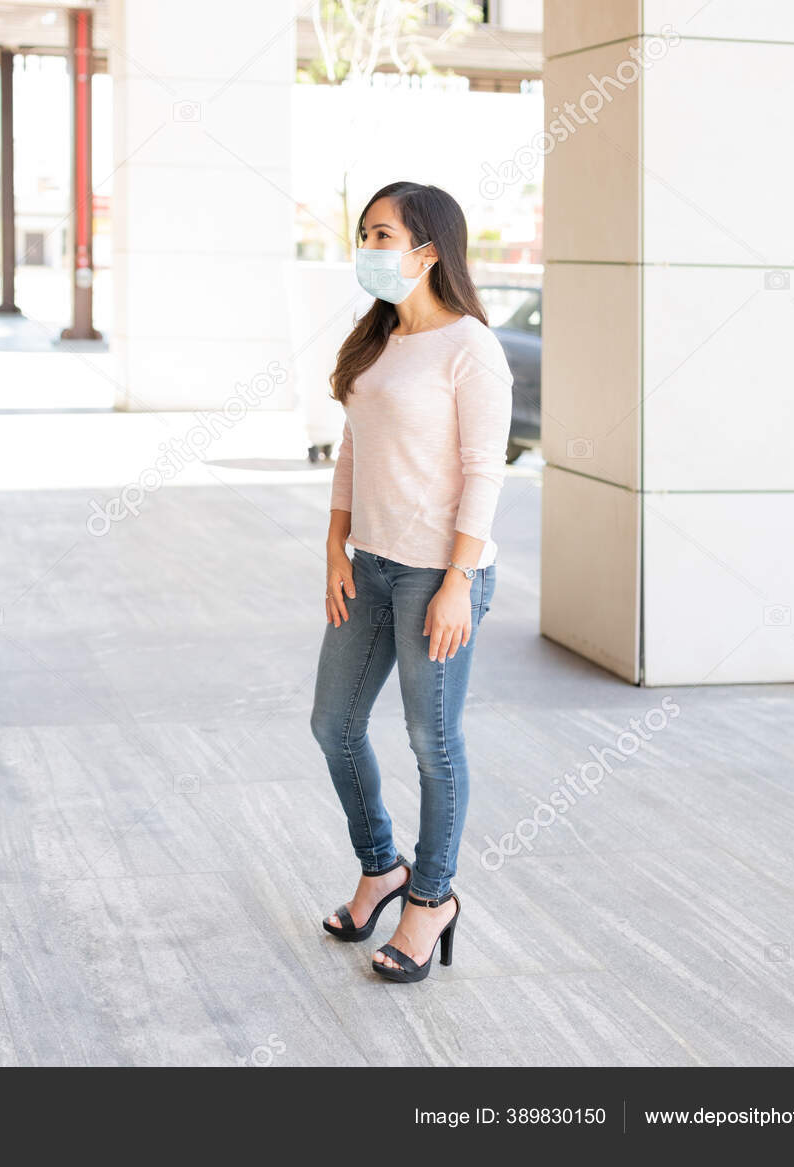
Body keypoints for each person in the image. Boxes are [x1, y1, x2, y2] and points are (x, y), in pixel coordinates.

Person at [310, 181, 512, 983]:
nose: (369, 246)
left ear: (429, 250)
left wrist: (459, 578)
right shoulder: (377, 339)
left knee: (432, 741)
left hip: (438, 574)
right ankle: (381, 865)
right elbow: (352, 451)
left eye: (383, 233)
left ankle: (431, 898)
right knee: (335, 724)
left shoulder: (471, 347)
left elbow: (483, 472)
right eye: (364, 232)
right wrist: (335, 548)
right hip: (369, 564)